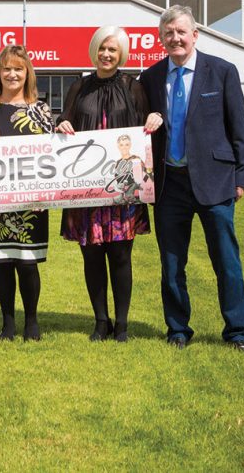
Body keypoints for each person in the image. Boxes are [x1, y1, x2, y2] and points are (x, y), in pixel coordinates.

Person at [138, 5, 244, 351]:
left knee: (226, 261)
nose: (175, 38)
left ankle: (236, 331)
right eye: (168, 33)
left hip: (215, 181)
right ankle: (177, 329)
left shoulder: (222, 72)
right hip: (169, 183)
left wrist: (241, 177)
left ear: (195, 35)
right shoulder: (150, 78)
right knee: (172, 263)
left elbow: (239, 129)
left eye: (181, 32)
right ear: (161, 39)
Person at [56, 27, 159, 342]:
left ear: (121, 54)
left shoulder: (133, 87)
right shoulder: (80, 87)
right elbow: (66, 120)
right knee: (91, 255)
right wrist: (62, 124)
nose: (106, 55)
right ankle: (101, 321)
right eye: (102, 48)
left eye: (112, 50)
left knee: (120, 255)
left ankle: (122, 324)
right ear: (94, 51)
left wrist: (154, 117)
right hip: (86, 187)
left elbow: (147, 122)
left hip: (123, 187)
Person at [0, 45, 54, 341]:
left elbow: (52, 157)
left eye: (19, 68)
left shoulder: (41, 111)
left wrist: (46, 194)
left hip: (33, 202)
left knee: (27, 263)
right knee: (3, 261)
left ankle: (32, 321)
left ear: (27, 72)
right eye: (7, 69)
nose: (12, 74)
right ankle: (7, 323)